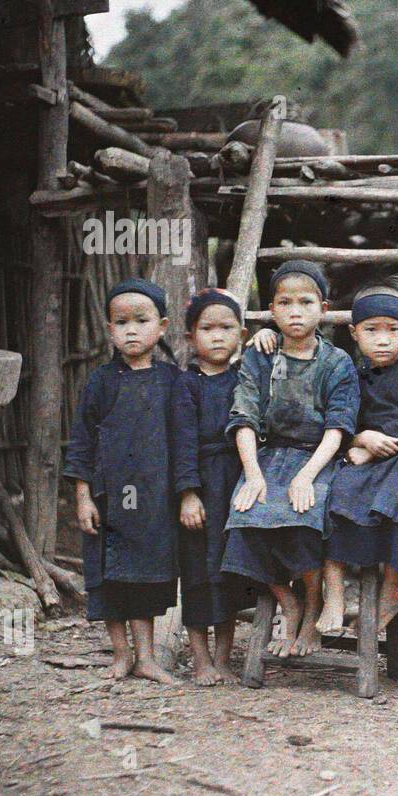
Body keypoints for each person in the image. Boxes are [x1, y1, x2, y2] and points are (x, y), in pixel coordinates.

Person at [220, 260, 359, 658]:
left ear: (324, 308)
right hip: (267, 456)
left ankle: (313, 604)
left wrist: (306, 475)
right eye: (285, 302)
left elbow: (338, 428)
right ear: (272, 309)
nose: (295, 311)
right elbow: (243, 416)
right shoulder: (260, 356)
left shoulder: (336, 363)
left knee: (306, 517)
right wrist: (252, 474)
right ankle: (287, 601)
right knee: (244, 517)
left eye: (305, 302)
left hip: (318, 457)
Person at [63, 278, 182, 684]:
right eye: (121, 322)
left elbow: (181, 441)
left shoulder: (172, 381)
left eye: (141, 320)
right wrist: (83, 497)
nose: (131, 330)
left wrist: (182, 495)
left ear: (162, 326)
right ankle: (120, 655)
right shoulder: (100, 381)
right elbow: (80, 440)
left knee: (144, 575)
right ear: (109, 329)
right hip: (107, 497)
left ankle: (147, 658)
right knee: (107, 576)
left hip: (153, 499)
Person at [317, 286, 398, 641]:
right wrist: (359, 439)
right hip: (366, 460)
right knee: (333, 494)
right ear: (355, 334)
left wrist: (373, 444)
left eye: (393, 329)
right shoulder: (351, 374)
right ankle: (335, 593)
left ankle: (393, 588)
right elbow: (339, 416)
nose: (383, 340)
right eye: (372, 330)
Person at [171, 288, 256, 685]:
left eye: (226, 328)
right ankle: (201, 659)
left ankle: (224, 659)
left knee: (230, 574)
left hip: (237, 482)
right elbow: (182, 441)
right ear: (190, 337)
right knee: (197, 574)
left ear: (240, 333)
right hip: (202, 488)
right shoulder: (185, 385)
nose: (217, 336)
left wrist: (264, 343)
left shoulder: (246, 377)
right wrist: (187, 492)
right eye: (207, 329)